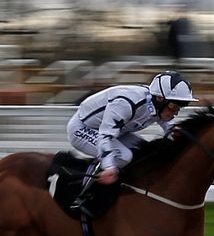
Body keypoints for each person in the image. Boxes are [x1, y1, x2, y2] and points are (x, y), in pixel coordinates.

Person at [65, 70, 196, 215]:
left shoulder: (159, 105)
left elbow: (172, 129)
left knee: (146, 152)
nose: (176, 112)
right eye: (174, 106)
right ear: (159, 99)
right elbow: (105, 136)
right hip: (83, 128)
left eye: (180, 106)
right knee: (123, 156)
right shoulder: (126, 103)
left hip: (116, 132)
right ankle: (84, 197)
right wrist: (109, 167)